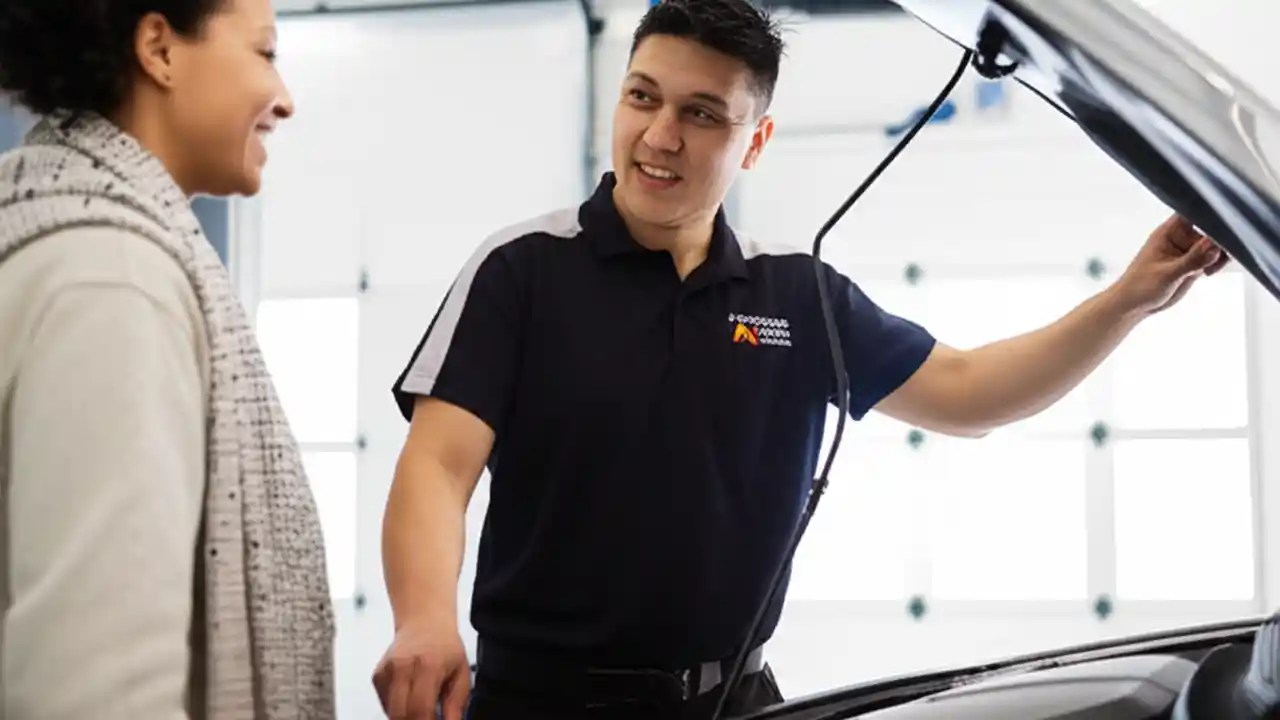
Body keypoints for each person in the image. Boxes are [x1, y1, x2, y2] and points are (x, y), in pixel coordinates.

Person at [373, 0, 1230, 717]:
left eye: (701, 113)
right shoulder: (521, 269)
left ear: (755, 139)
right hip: (540, 702)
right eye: (643, 97)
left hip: (739, 701)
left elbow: (969, 392)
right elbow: (437, 470)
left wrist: (1126, 300)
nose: (659, 135)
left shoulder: (796, 294)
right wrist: (422, 620)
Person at [0, 1, 335, 718]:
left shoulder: (64, 229)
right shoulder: (112, 277)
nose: (285, 99)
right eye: (265, 53)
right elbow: (98, 691)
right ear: (159, 49)